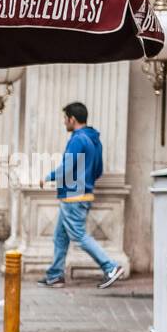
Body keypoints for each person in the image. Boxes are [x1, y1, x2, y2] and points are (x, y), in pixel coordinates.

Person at [40, 102, 123, 289]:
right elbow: (99, 170)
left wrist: (49, 177)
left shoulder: (77, 139)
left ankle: (110, 267)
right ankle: (55, 275)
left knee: (78, 235)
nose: (64, 122)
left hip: (73, 195)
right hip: (82, 193)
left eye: (65, 118)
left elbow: (68, 167)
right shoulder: (94, 139)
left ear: (72, 119)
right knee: (60, 236)